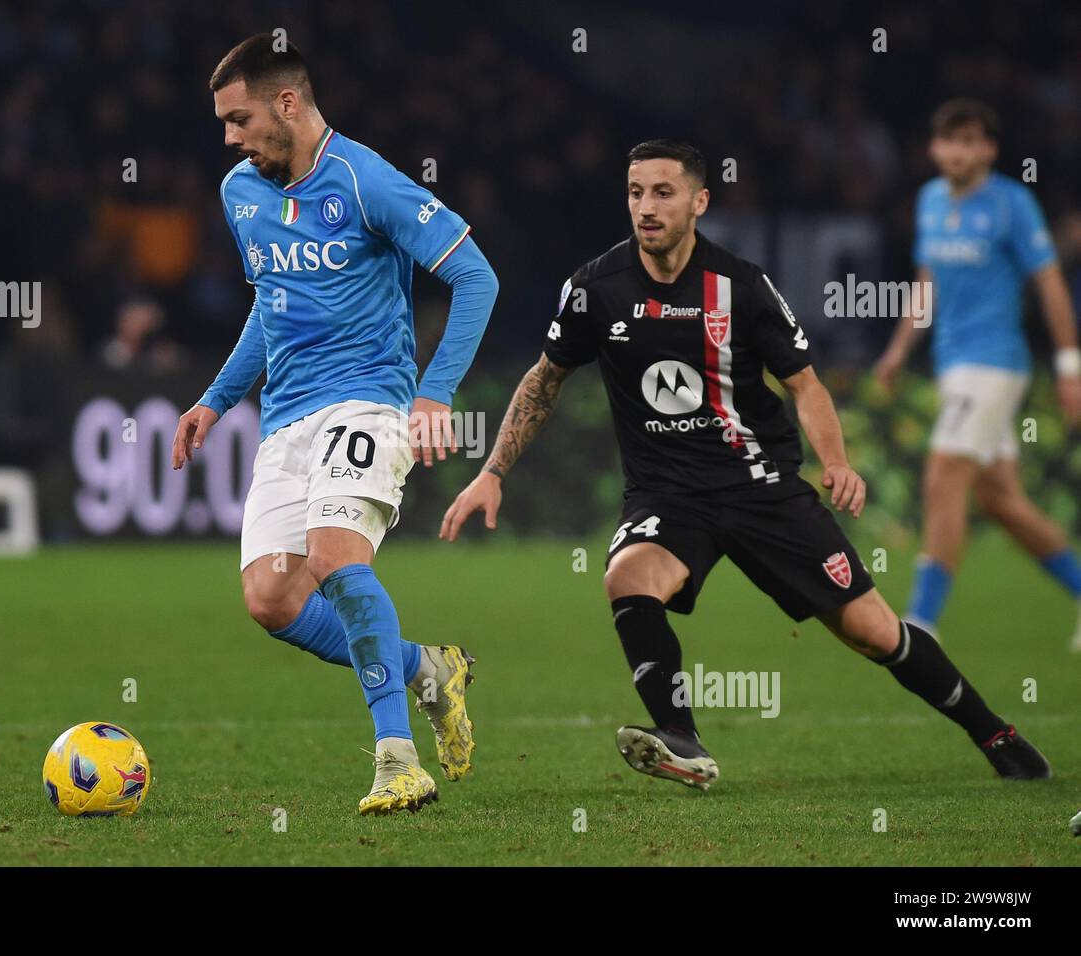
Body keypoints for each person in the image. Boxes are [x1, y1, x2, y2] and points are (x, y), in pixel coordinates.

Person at [441, 139, 1049, 790]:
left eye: (663, 192)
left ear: (699, 202)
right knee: (626, 577)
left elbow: (806, 385)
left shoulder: (741, 286)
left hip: (760, 487)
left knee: (875, 634)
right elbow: (544, 380)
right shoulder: (595, 289)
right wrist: (492, 472)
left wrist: (836, 462)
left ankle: (994, 731)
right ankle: (681, 739)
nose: (646, 207)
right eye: (636, 192)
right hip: (668, 495)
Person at [172, 34, 498, 814]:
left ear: (288, 104)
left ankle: (397, 761)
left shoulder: (366, 181)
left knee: (337, 559)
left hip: (369, 401)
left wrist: (435, 393)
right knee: (272, 601)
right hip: (286, 417)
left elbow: (474, 276)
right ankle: (428, 669)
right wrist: (216, 398)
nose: (229, 137)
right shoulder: (240, 193)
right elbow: (270, 302)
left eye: (239, 118)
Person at [874, 98, 1081, 650]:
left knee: (944, 473)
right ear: (935, 148)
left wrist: (1068, 365)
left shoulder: (1013, 204)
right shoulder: (931, 200)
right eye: (950, 140)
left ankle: (921, 622)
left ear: (989, 148)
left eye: (972, 140)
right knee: (1001, 502)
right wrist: (897, 350)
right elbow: (926, 282)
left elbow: (1051, 283)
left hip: (993, 365)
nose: (959, 150)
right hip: (953, 366)